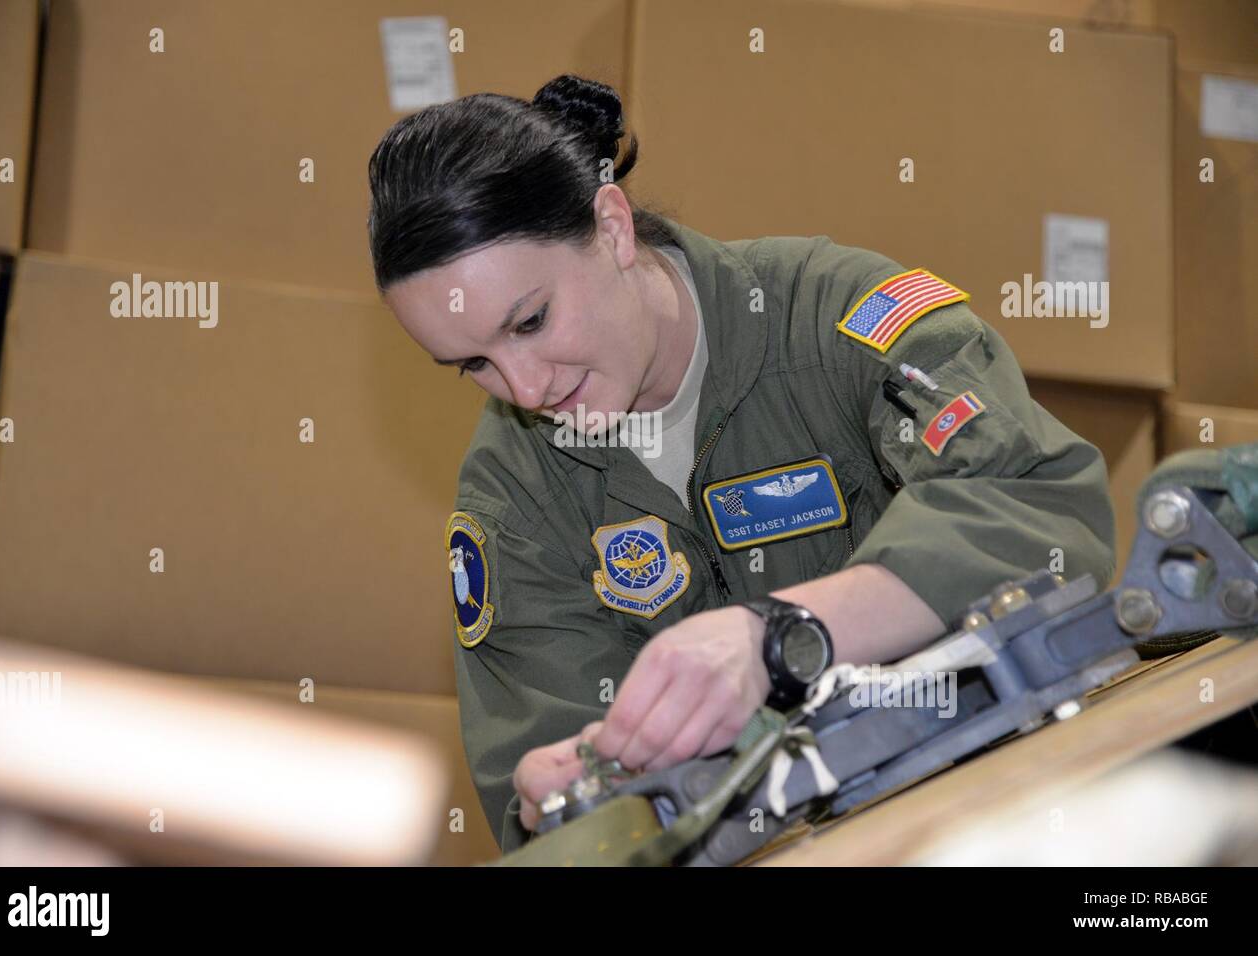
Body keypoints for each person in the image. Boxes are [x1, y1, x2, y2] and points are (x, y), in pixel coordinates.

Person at [367, 74, 1115, 853]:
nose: (525, 388)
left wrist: (781, 638)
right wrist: (576, 796)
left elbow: (1040, 511)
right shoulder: (513, 493)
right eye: (472, 365)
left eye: (531, 320)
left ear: (613, 226)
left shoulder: (838, 325)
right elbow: (553, 787)